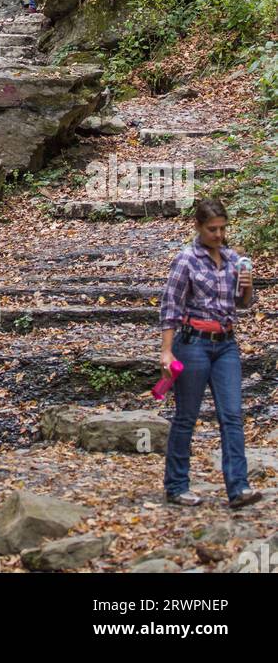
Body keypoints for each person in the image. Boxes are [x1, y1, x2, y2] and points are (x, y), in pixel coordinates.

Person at [159, 199, 261, 509]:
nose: (218, 234)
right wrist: (166, 352)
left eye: (222, 228)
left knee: (231, 415)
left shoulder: (232, 259)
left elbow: (243, 304)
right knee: (186, 417)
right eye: (212, 229)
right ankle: (177, 485)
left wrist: (247, 286)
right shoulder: (186, 260)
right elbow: (170, 307)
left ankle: (239, 488)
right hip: (192, 344)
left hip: (226, 343)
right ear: (199, 228)